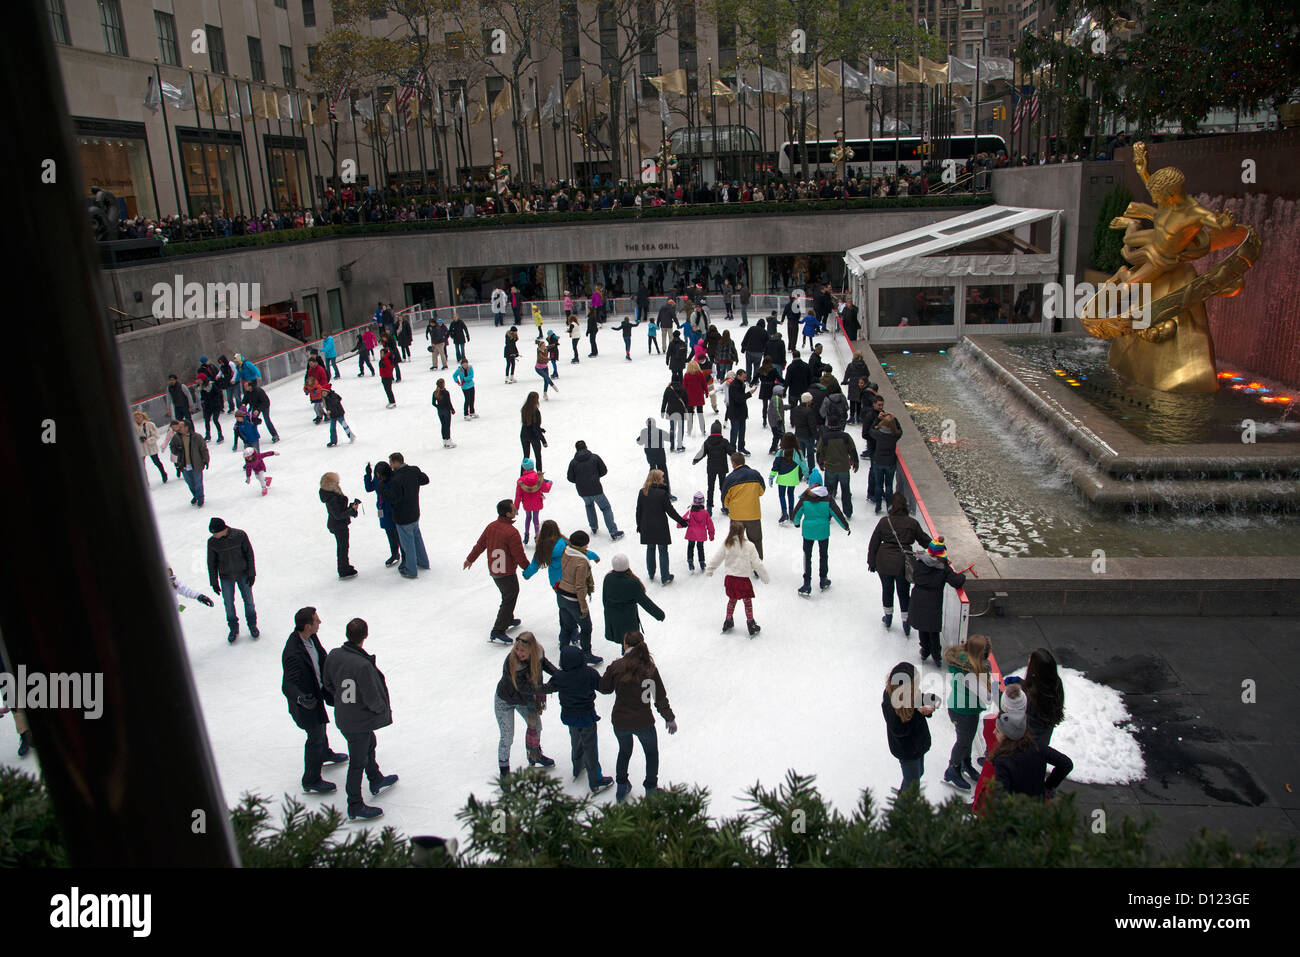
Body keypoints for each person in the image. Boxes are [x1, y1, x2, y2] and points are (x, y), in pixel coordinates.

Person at [322, 618, 399, 821]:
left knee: (369, 744)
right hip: (358, 721)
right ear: (365, 635)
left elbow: (327, 683)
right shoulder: (362, 665)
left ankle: (375, 778)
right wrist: (381, 709)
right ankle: (354, 804)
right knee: (358, 760)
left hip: (345, 716)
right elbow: (372, 697)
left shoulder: (334, 655)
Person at [598, 630, 677, 803]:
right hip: (643, 721)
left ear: (625, 645)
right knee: (651, 753)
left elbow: (604, 688)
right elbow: (660, 697)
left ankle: (621, 785)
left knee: (624, 750)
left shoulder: (617, 666)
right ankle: (650, 788)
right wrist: (668, 717)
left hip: (620, 720)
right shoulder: (649, 668)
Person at [282, 607, 349, 796]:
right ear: (307, 626)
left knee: (321, 727)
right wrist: (301, 698)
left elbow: (322, 658)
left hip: (317, 694)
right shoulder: (293, 653)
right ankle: (311, 779)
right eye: (317, 621)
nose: (320, 623)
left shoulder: (311, 638)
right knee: (315, 737)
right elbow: (287, 684)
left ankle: (325, 752)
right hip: (306, 702)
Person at [551, 643, 615, 795]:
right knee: (590, 747)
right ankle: (596, 780)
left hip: (569, 716)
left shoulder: (560, 676)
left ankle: (577, 765)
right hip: (586, 717)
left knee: (575, 739)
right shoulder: (588, 673)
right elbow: (603, 688)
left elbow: (548, 687)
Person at [494, 631, 559, 775]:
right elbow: (524, 688)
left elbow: (545, 664)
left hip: (523, 700)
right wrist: (550, 688)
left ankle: (534, 755)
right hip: (505, 701)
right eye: (517, 649)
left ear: (532, 649)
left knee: (536, 726)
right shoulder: (512, 663)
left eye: (522, 650)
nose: (518, 653)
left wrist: (559, 675)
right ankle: (504, 772)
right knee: (507, 736)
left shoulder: (538, 653)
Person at [465, 499, 530, 644]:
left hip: (495, 570)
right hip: (506, 572)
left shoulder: (491, 527)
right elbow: (518, 553)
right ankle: (498, 630)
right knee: (510, 596)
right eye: (514, 509)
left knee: (507, 594)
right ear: (508, 514)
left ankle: (508, 618)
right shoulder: (512, 532)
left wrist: (470, 559)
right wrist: (527, 568)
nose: (516, 510)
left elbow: (480, 544)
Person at [867, 492, 932, 632]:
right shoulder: (912, 523)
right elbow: (924, 540)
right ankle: (906, 622)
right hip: (903, 563)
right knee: (903, 592)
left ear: (892, 506)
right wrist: (938, 548)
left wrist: (871, 563)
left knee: (887, 589)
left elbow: (874, 543)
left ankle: (888, 617)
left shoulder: (884, 521)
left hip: (884, 561)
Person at [941, 634, 994, 791]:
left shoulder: (963, 661)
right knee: (963, 741)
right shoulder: (971, 674)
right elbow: (988, 697)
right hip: (964, 712)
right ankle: (953, 769)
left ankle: (965, 763)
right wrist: (987, 676)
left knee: (967, 739)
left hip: (963, 708)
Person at [990, 709, 1074, 800]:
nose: (994, 732)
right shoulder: (1037, 747)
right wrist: (1048, 786)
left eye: (998, 731)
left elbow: (1001, 798)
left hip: (1016, 810)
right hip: (1037, 807)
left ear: (1008, 736)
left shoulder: (1002, 760)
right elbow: (1066, 764)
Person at [792, 468, 851, 596]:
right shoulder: (827, 498)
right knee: (823, 555)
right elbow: (837, 513)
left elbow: (796, 514)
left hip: (808, 532)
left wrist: (797, 523)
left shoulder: (805, 497)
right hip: (823, 531)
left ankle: (807, 583)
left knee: (807, 557)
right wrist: (845, 526)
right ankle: (823, 579)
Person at [882, 661, 940, 791]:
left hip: (917, 746)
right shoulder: (890, 704)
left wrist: (931, 701)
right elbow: (899, 729)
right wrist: (919, 713)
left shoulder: (907, 694)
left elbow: (918, 698)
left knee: (917, 774)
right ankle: (903, 807)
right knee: (912, 783)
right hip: (907, 751)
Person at [705, 521, 769, 635]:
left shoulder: (727, 544)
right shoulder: (749, 546)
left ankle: (728, 620)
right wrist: (764, 576)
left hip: (731, 579)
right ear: (742, 532)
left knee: (732, 600)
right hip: (743, 579)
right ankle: (751, 623)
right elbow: (757, 563)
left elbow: (717, 557)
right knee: (747, 601)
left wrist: (710, 569)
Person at [910, 537, 967, 664]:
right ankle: (936, 655)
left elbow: (914, 576)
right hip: (933, 601)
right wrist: (962, 575)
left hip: (918, 598)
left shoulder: (919, 562)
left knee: (922, 626)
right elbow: (957, 581)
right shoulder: (943, 568)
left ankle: (925, 650)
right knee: (933, 629)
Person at [207, 517, 258, 642]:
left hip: (243, 574)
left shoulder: (239, 535)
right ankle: (233, 628)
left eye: (215, 532)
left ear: (223, 529)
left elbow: (249, 554)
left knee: (249, 601)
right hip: (226, 577)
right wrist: (214, 582)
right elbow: (211, 563)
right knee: (228, 604)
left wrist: (251, 573)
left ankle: (252, 625)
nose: (214, 535)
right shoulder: (212, 542)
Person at [556, 530, 601, 664]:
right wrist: (583, 606)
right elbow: (580, 586)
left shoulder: (566, 551)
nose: (587, 547)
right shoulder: (581, 562)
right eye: (586, 545)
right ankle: (586, 654)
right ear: (581, 546)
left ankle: (564, 653)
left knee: (566, 626)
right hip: (572, 599)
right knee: (586, 627)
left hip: (561, 594)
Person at [635, 468, 686, 584]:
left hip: (646, 526)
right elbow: (670, 511)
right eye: (662, 477)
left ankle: (651, 572)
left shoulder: (642, 492)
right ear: (657, 479)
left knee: (650, 548)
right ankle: (665, 576)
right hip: (660, 526)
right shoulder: (662, 493)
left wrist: (639, 525)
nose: (664, 479)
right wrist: (682, 521)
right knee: (663, 551)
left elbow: (639, 510)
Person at [384, 452, 431, 579]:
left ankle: (410, 570)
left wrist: (383, 490)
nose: (390, 466)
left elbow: (394, 498)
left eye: (391, 463)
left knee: (407, 544)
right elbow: (425, 480)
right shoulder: (413, 471)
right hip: (415, 512)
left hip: (403, 517)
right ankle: (423, 562)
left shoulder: (396, 479)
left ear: (395, 462)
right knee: (417, 538)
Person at [567, 440, 624, 540]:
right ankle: (613, 531)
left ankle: (593, 526)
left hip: (582, 491)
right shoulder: (594, 458)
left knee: (589, 505)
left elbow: (570, 478)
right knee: (605, 507)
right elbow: (604, 470)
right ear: (586, 447)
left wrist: (580, 481)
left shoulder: (573, 462)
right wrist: (595, 477)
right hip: (596, 488)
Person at [720, 452, 767, 559]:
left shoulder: (730, 478)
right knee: (756, 540)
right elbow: (762, 491)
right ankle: (756, 563)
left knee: (735, 541)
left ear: (733, 463)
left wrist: (728, 507)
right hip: (753, 514)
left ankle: (736, 563)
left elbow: (724, 498)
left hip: (737, 516)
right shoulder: (755, 474)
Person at [320, 472, 361, 579]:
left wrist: (350, 509)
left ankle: (344, 567)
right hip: (338, 525)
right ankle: (343, 569)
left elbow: (339, 511)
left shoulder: (331, 494)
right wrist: (351, 510)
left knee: (343, 546)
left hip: (337, 524)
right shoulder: (332, 497)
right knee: (343, 547)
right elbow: (338, 515)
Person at [1024, 648, 1066, 749]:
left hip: (1027, 742)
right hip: (1043, 737)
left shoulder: (1031, 696)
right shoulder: (1056, 684)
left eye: (1030, 660)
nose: (1028, 661)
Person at [816, 419, 859, 519]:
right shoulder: (846, 437)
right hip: (844, 468)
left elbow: (819, 452)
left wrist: (821, 463)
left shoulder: (825, 438)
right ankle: (848, 512)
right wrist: (855, 463)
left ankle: (828, 513)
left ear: (829, 426)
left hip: (830, 468)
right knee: (846, 490)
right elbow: (852, 450)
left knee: (829, 492)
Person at [363, 461, 403, 568]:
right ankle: (395, 553)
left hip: (392, 509)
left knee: (398, 533)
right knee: (390, 533)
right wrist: (368, 475)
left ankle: (405, 555)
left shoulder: (391, 480)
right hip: (382, 510)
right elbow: (369, 488)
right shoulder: (377, 480)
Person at [693, 420, 735, 514]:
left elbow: (701, 453)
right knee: (723, 487)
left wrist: (695, 460)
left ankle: (709, 508)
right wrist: (735, 454)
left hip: (711, 468)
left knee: (710, 488)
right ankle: (725, 507)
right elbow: (731, 452)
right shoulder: (724, 442)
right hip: (722, 468)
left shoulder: (708, 442)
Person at [169, 419, 209, 507]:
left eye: (181, 427)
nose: (179, 429)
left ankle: (200, 498)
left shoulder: (197, 437)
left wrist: (206, 460)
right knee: (190, 483)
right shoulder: (176, 437)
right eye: (178, 427)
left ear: (187, 427)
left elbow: (203, 449)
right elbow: (172, 448)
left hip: (196, 464)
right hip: (184, 465)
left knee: (198, 483)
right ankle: (196, 495)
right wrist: (177, 450)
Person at [769, 432, 808, 523]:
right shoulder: (798, 452)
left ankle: (784, 513)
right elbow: (804, 465)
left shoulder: (780, 452)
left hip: (782, 478)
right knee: (791, 494)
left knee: (782, 495)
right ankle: (792, 513)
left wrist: (772, 477)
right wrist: (806, 475)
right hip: (793, 478)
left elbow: (776, 466)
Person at [513, 457, 552, 546]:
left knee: (528, 517)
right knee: (535, 518)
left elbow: (518, 495)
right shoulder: (538, 477)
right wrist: (549, 483)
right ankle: (537, 536)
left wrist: (516, 507)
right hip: (537, 501)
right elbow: (545, 489)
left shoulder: (520, 480)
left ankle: (526, 534)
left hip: (526, 503)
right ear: (533, 466)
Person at [868, 412, 902, 514]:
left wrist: (878, 419)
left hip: (878, 461)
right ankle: (889, 506)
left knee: (879, 485)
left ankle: (878, 506)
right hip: (890, 462)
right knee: (889, 485)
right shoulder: (895, 435)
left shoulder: (879, 434)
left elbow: (871, 430)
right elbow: (900, 430)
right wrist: (894, 419)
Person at [636, 417, 674, 498]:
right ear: (655, 423)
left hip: (650, 457)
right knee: (663, 473)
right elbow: (670, 438)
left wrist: (638, 438)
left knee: (652, 471)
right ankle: (666, 492)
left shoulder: (644, 432)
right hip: (660, 456)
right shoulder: (660, 431)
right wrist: (671, 433)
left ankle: (650, 490)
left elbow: (639, 442)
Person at [679, 491, 715, 572]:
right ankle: (702, 563)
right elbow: (710, 525)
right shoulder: (705, 513)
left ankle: (690, 562)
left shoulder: (690, 512)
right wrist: (711, 535)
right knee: (700, 548)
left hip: (691, 534)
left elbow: (683, 520)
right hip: (701, 535)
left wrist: (679, 525)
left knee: (690, 547)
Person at [725, 368, 756, 454]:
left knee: (742, 432)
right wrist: (749, 393)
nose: (745, 379)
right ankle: (732, 449)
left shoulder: (741, 384)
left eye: (745, 377)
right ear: (738, 376)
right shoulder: (734, 386)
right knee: (735, 432)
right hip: (735, 413)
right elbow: (739, 399)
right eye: (743, 377)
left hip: (741, 413)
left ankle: (741, 447)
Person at [133, 409, 168, 486]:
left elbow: (156, 435)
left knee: (156, 462)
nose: (138, 419)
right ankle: (145, 481)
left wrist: (148, 440)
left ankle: (163, 473)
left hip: (150, 447)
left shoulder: (149, 424)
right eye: (136, 417)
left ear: (143, 417)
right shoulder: (132, 427)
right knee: (142, 466)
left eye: (139, 417)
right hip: (141, 448)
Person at [661, 375, 690, 453]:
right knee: (681, 429)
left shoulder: (668, 389)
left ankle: (672, 446)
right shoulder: (683, 389)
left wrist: (662, 411)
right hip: (681, 412)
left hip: (671, 412)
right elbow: (687, 401)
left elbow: (664, 401)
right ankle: (679, 446)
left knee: (672, 429)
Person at [520, 392, 547, 471]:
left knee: (526, 457)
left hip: (524, 434)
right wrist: (543, 440)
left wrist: (540, 429)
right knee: (538, 457)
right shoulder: (536, 412)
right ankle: (539, 477)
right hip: (533, 436)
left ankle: (522, 476)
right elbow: (535, 428)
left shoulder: (524, 408)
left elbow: (529, 424)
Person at [197, 372, 225, 443]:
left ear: (203, 379)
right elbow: (202, 397)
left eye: (199, 379)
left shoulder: (212, 385)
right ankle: (208, 435)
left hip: (215, 405)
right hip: (207, 406)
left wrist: (219, 403)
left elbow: (218, 394)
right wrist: (203, 402)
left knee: (215, 420)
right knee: (207, 420)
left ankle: (220, 435)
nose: (198, 381)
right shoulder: (201, 388)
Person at [842, 352, 870, 423]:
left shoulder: (851, 365)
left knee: (852, 401)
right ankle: (858, 416)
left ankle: (852, 417)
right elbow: (867, 374)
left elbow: (847, 374)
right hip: (861, 385)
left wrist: (844, 381)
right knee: (859, 401)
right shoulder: (864, 365)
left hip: (853, 384)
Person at [432, 378, 456, 448]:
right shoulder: (446, 392)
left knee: (443, 425)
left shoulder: (435, 392)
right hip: (446, 411)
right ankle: (448, 441)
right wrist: (452, 409)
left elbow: (433, 403)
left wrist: (438, 406)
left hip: (440, 411)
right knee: (447, 426)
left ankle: (445, 440)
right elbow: (448, 402)